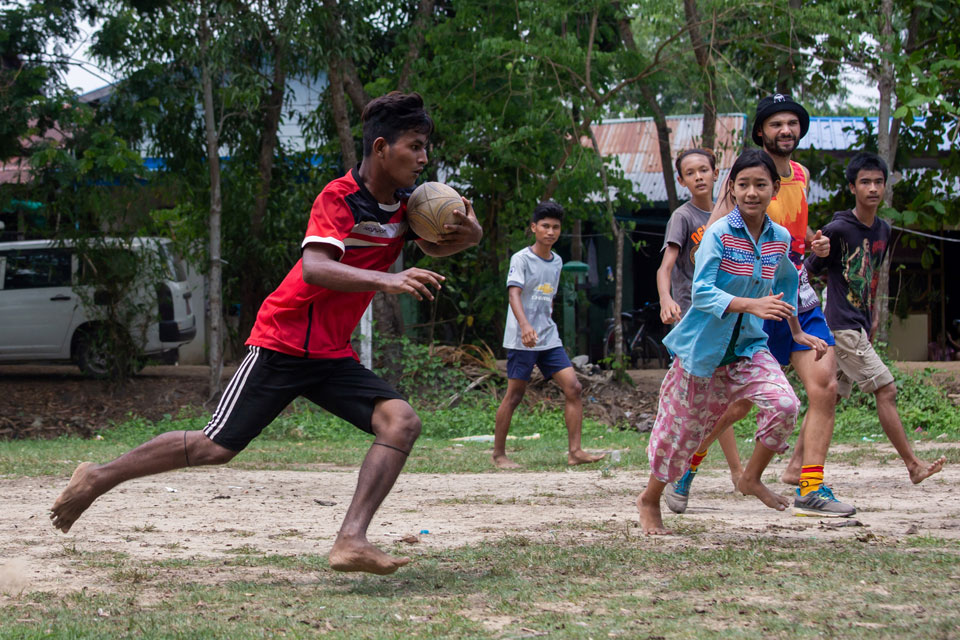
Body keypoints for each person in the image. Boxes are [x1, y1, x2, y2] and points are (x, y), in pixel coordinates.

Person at [48, 92, 483, 576]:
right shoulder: (339, 198)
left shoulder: (407, 207)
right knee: (217, 447)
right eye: (416, 146)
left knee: (400, 421)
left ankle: (350, 540)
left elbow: (448, 240)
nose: (424, 158)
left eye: (426, 148)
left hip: (330, 354)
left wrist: (470, 229)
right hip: (282, 339)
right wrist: (387, 279)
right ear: (382, 148)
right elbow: (316, 268)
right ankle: (98, 477)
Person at [638, 149, 827, 535]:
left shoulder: (778, 238)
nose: (752, 192)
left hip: (748, 350)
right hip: (702, 352)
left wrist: (796, 332)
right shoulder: (718, 233)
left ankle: (750, 478)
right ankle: (650, 498)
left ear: (775, 188)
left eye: (761, 184)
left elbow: (786, 285)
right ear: (733, 188)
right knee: (682, 436)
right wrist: (749, 303)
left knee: (785, 404)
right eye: (744, 185)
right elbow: (702, 291)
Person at [707, 94, 855, 517]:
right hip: (756, 296)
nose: (785, 130)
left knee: (824, 387)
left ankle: (811, 488)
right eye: (776, 124)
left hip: (798, 291)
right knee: (738, 403)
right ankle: (688, 466)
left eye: (792, 123)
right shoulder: (744, 175)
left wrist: (816, 246)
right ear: (760, 132)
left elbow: (796, 235)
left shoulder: (802, 174)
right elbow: (717, 225)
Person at [806, 152, 945, 484]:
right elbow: (809, 271)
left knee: (830, 397)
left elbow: (870, 278)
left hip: (858, 323)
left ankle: (796, 464)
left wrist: (870, 318)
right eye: (865, 182)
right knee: (886, 389)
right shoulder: (838, 228)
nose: (872, 188)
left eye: (878, 182)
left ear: (885, 186)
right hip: (840, 324)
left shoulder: (883, 228)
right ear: (852, 187)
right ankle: (913, 465)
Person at [656, 149, 747, 513]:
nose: (698, 176)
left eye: (704, 170)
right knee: (700, 404)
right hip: (693, 322)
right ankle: (685, 471)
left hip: (729, 320)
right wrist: (665, 299)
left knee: (730, 402)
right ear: (681, 181)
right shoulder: (683, 216)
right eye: (690, 172)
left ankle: (733, 472)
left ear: (715, 173)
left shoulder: (736, 213)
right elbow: (666, 266)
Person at [493, 201, 605, 469]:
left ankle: (575, 452)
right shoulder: (521, 259)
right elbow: (513, 294)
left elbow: (548, 298)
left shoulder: (557, 261)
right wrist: (525, 326)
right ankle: (498, 454)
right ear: (534, 228)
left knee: (574, 387)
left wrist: (542, 325)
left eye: (555, 227)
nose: (550, 231)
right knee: (515, 395)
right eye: (545, 226)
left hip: (547, 337)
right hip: (522, 337)